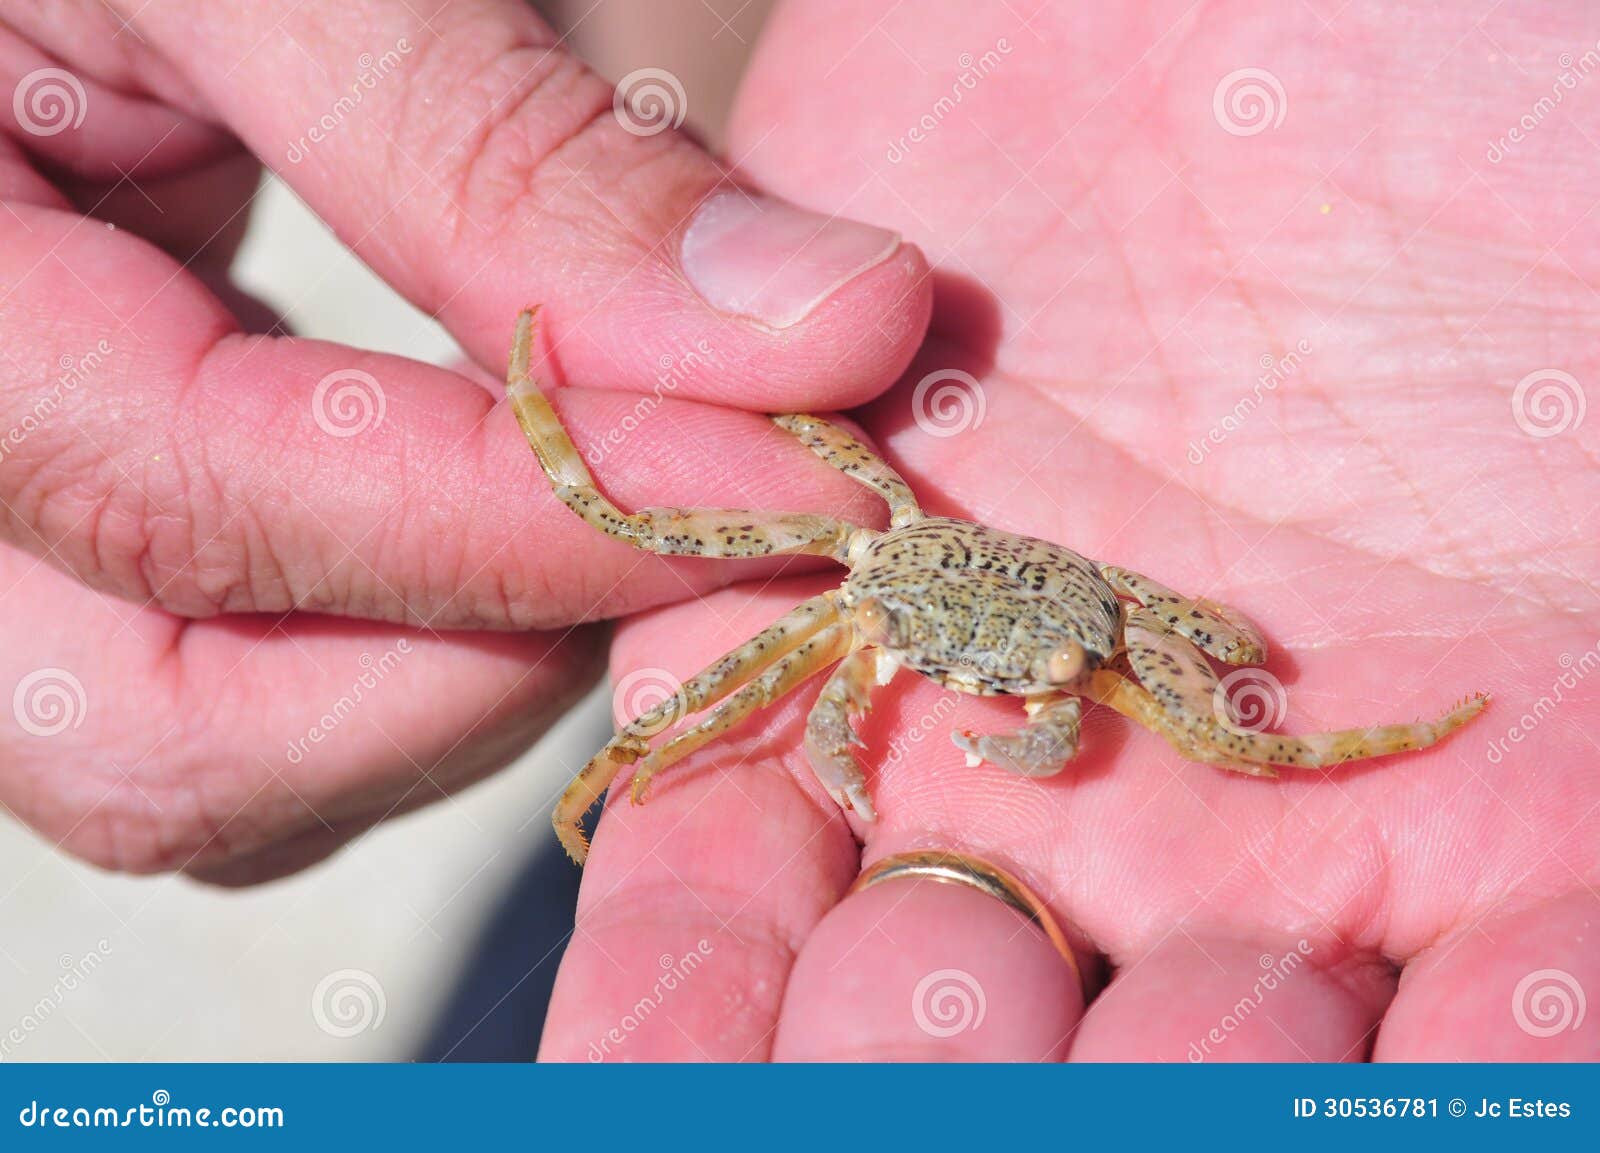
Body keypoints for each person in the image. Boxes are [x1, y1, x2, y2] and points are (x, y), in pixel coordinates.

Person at [3, 0, 1595, 1062]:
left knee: (1244, 745)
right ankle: (596, 800)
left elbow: (1233, 721)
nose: (994, 692)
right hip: (887, 572)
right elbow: (653, 517)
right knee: (641, 596)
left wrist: (1141, 684)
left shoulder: (1099, 633)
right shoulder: (852, 568)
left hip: (1034, 595)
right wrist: (608, 339)